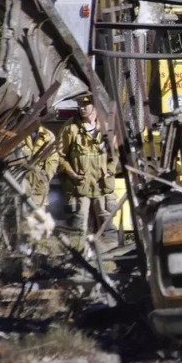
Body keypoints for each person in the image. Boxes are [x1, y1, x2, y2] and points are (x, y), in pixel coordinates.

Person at [58, 94, 118, 249]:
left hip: (101, 185)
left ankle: (110, 257)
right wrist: (71, 173)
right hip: (79, 186)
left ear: (95, 106)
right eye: (79, 104)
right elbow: (60, 155)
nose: (81, 108)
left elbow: (115, 155)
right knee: (78, 224)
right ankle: (78, 256)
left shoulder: (105, 127)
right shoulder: (69, 128)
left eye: (85, 104)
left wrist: (110, 171)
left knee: (107, 223)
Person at [22, 126, 59, 209]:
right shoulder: (18, 134)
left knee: (38, 218)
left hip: (38, 187)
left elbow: (53, 160)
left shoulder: (47, 135)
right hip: (20, 186)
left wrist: (44, 178)